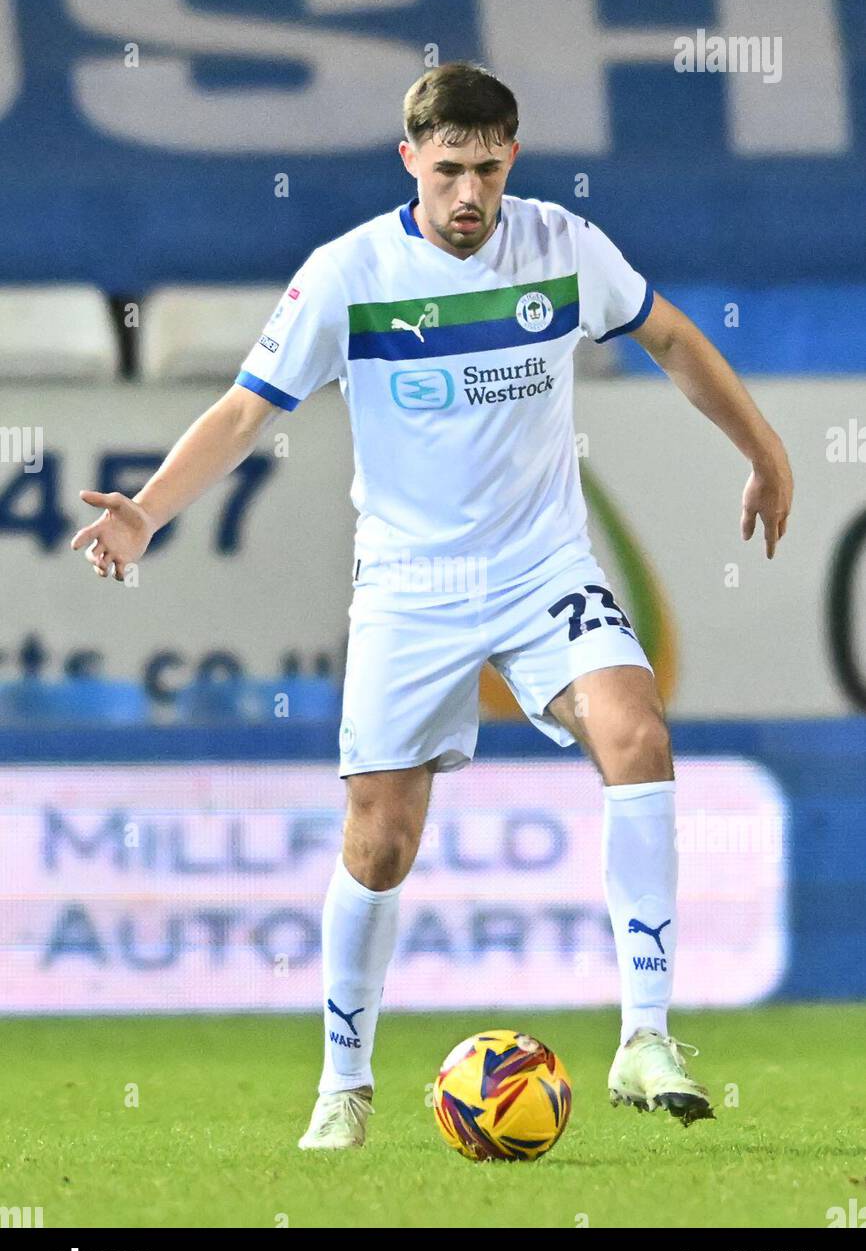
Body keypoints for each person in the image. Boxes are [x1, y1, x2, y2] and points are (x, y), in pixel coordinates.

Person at [72, 62, 793, 1149]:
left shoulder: (560, 247)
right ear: (408, 160)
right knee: (381, 838)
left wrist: (764, 448)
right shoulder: (348, 274)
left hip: (542, 564)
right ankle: (343, 1083)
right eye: (448, 169)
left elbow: (672, 339)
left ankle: (644, 1034)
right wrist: (148, 514)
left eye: (487, 169)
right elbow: (241, 410)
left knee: (637, 735)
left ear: (512, 158)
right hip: (410, 585)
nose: (468, 195)